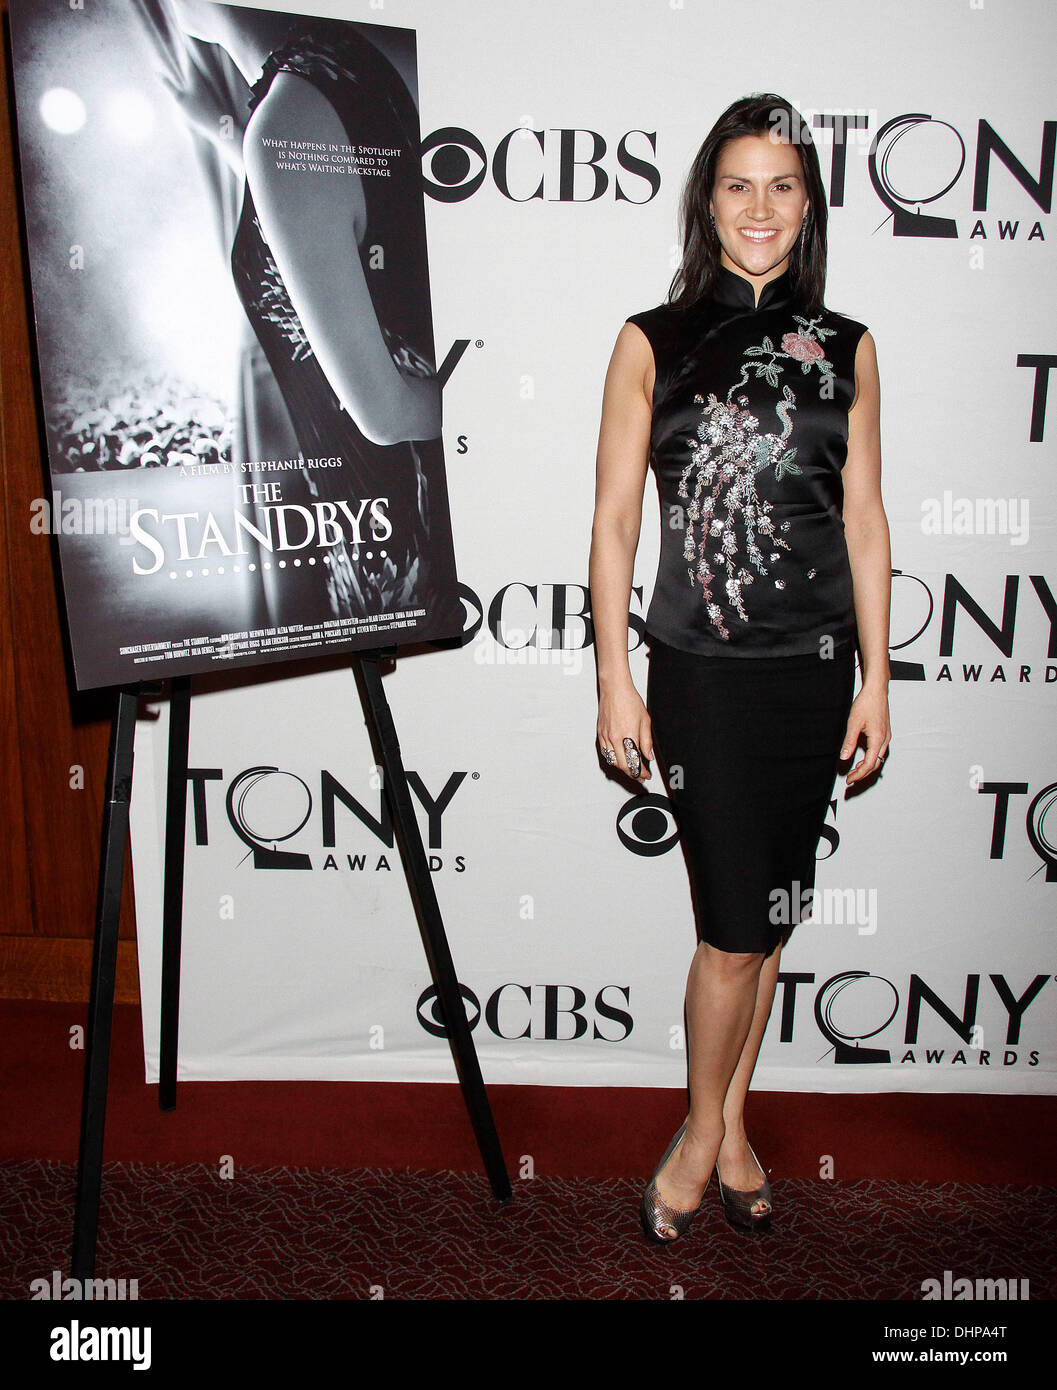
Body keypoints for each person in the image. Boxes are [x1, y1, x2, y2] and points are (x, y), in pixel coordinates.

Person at [588, 94, 892, 1242]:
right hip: (703, 668)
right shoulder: (650, 339)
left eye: (782, 185)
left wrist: (875, 679)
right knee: (729, 929)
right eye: (736, 184)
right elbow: (616, 519)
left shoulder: (848, 346)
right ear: (705, 199)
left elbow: (864, 518)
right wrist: (615, 675)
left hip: (814, 675)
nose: (759, 207)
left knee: (770, 922)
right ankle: (701, 1134)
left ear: (807, 202)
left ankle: (734, 1121)